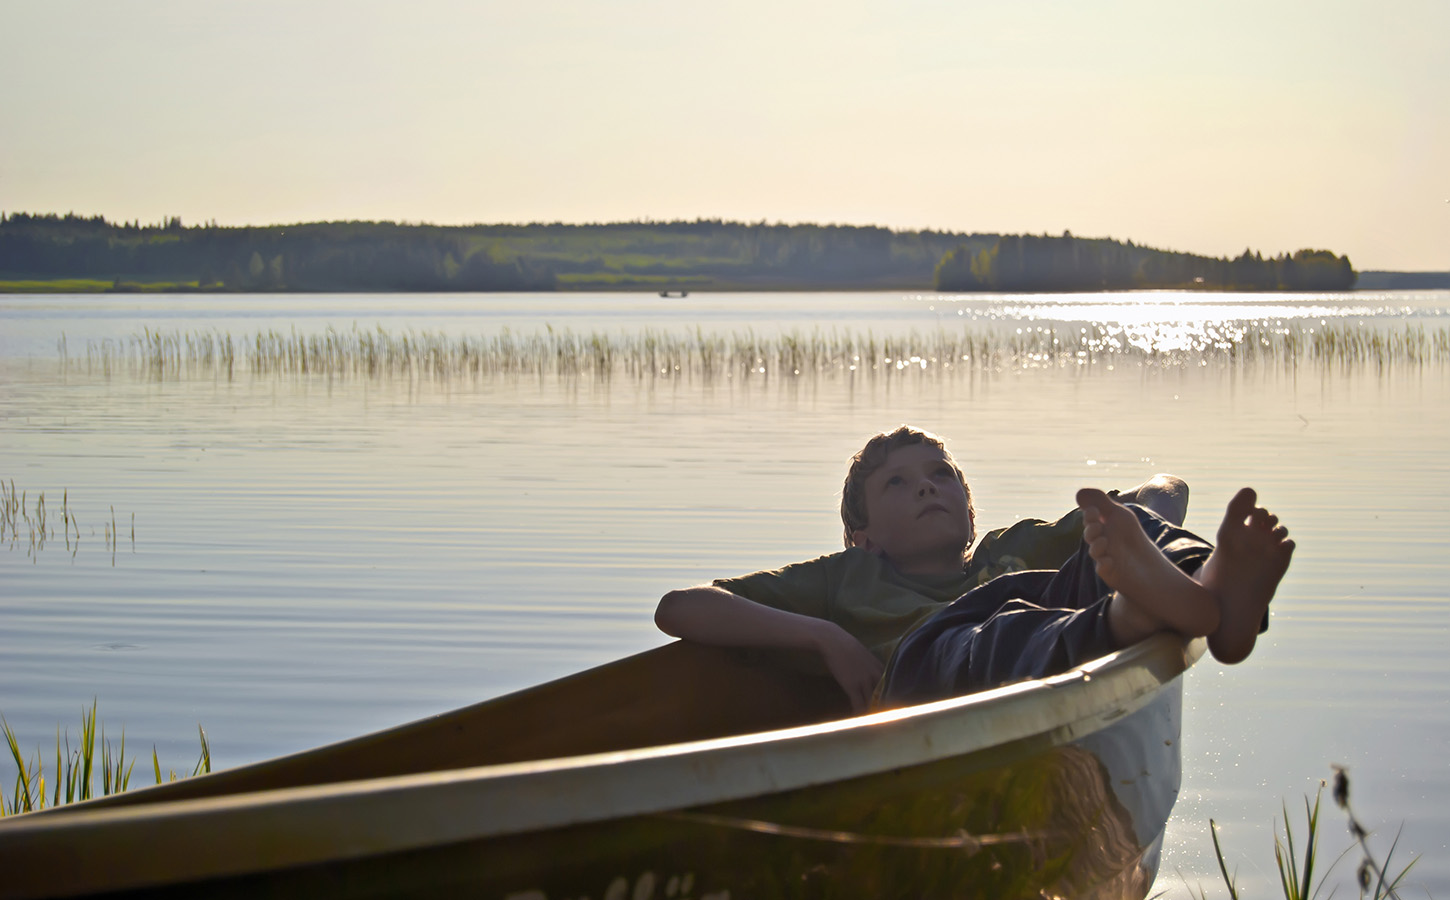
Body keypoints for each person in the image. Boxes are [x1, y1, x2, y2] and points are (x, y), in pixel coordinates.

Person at [654, 425, 1294, 712]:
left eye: (941, 475)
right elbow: (679, 607)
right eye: (897, 483)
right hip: (929, 671)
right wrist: (824, 636)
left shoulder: (1009, 550)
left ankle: (1209, 590)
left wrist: (1148, 506)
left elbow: (1165, 489)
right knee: (1006, 624)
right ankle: (1142, 610)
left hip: (1050, 639)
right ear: (863, 536)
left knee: (1117, 535)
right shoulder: (846, 578)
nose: (926, 486)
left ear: (968, 505)